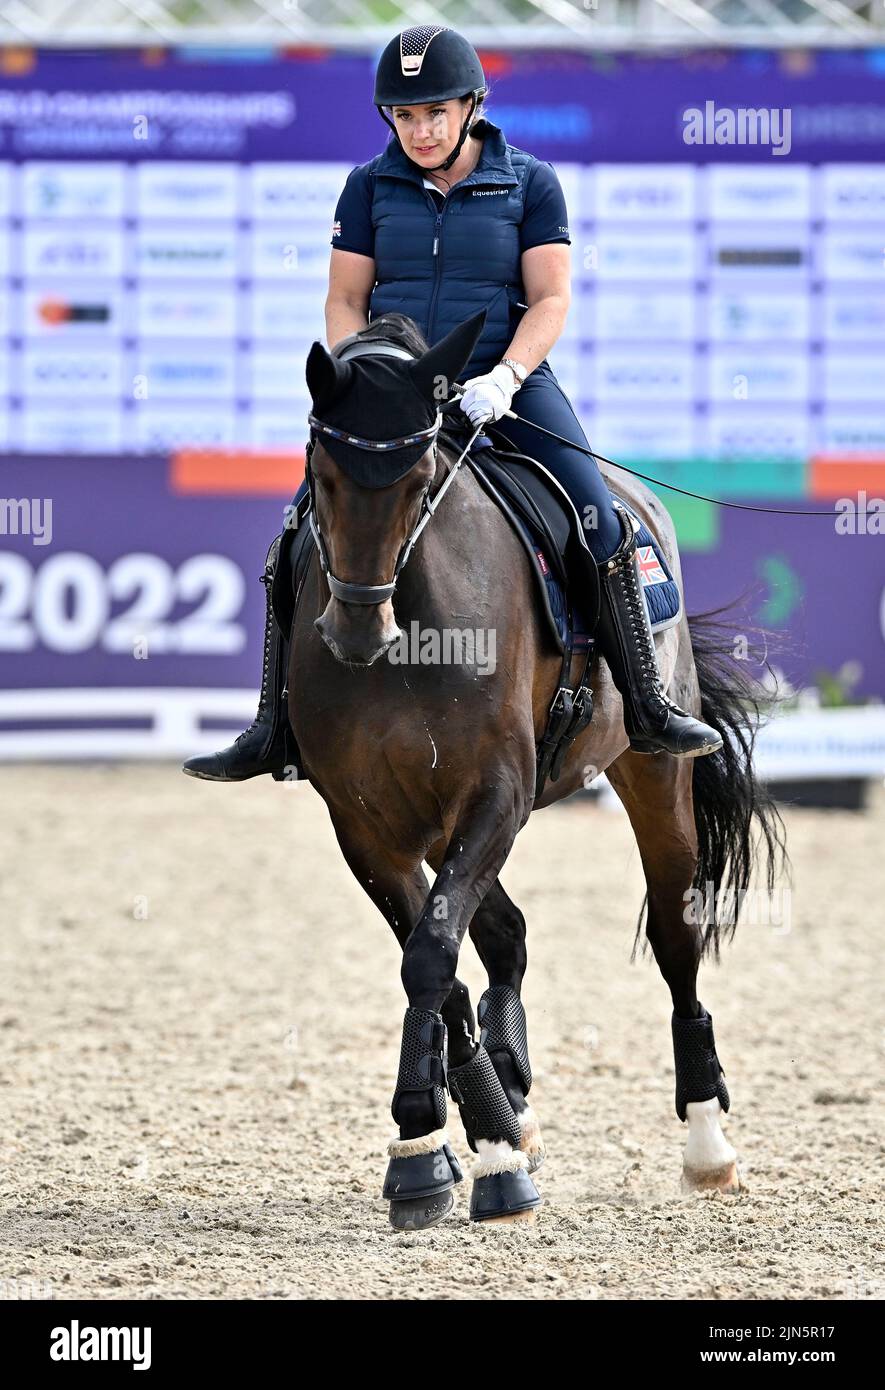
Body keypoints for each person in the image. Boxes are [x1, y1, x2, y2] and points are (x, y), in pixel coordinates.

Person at [182, 25, 720, 782]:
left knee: (598, 517)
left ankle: (646, 705)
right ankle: (274, 726)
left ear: (470, 106)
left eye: (434, 112)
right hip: (394, 392)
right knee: (297, 533)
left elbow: (550, 298)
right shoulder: (367, 187)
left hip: (509, 383)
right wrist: (364, 369)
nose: (421, 130)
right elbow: (344, 299)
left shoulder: (528, 182)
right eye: (405, 116)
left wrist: (503, 377)